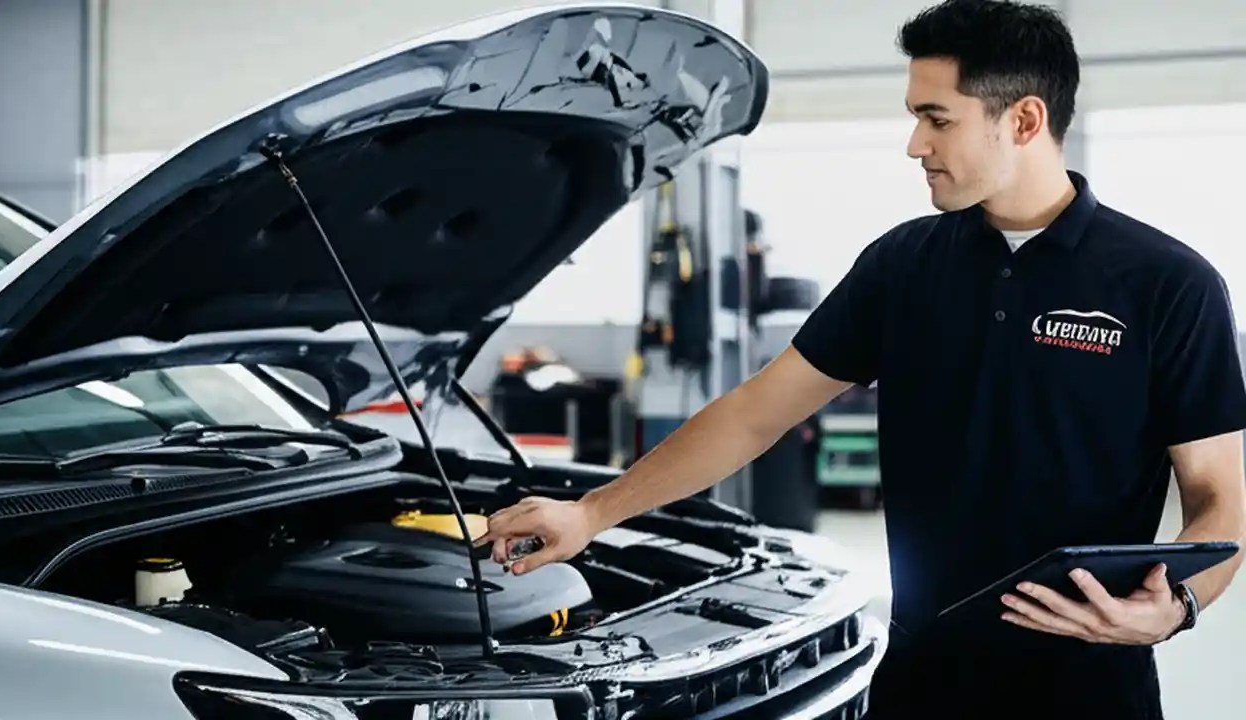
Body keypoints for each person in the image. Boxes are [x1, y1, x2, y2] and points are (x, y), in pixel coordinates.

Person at [477, 0, 1246, 716]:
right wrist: (593, 512)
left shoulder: (1167, 284)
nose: (914, 144)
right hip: (920, 675)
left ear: (1024, 119)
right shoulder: (904, 265)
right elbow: (753, 415)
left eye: (936, 119)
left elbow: (1219, 501)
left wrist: (1176, 606)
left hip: (1090, 690)